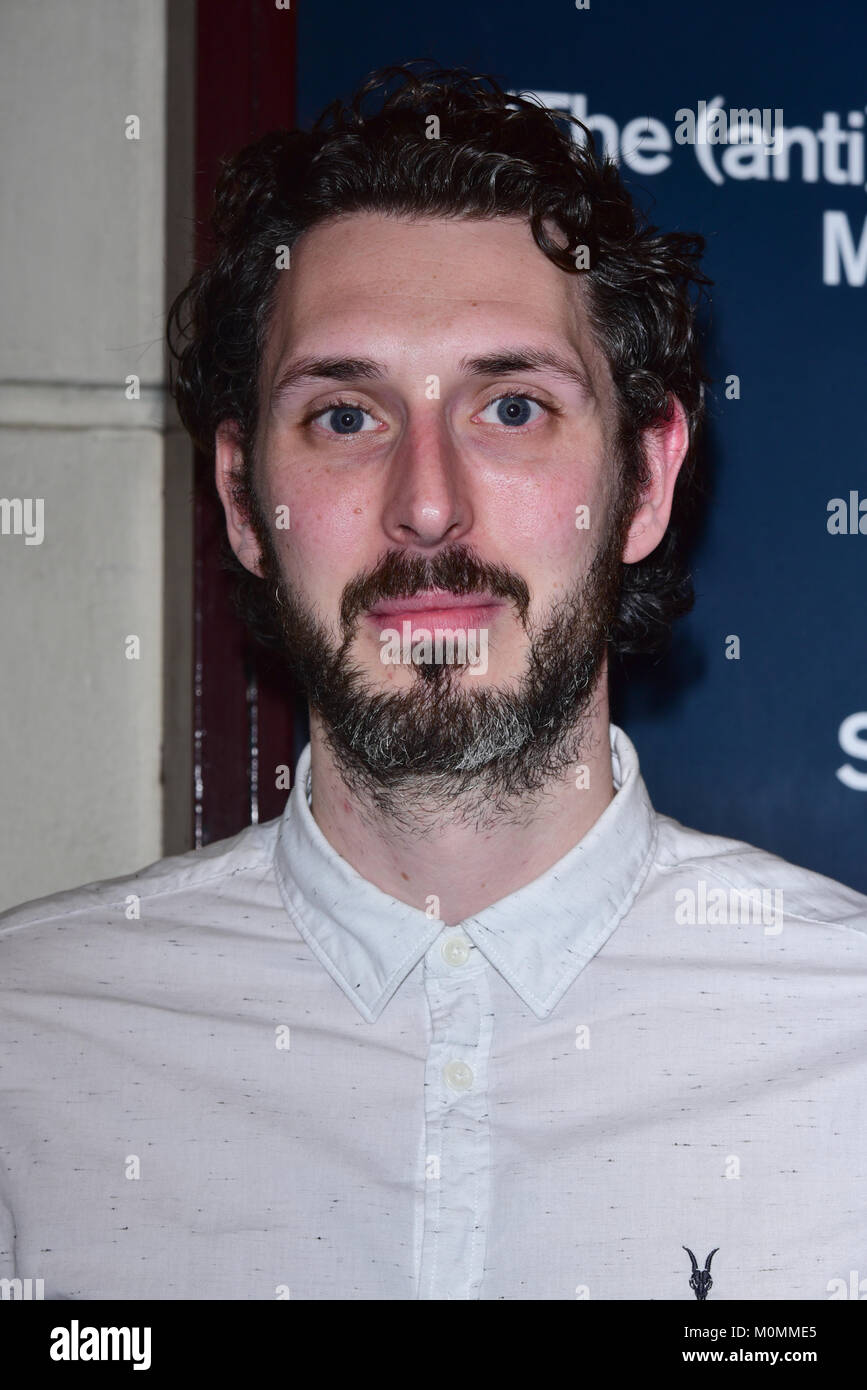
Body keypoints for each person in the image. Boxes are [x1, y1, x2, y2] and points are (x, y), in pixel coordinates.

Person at [2, 64, 865, 1303]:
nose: (425, 505)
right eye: (346, 417)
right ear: (246, 499)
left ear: (648, 480)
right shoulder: (27, 1050)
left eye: (510, 406)